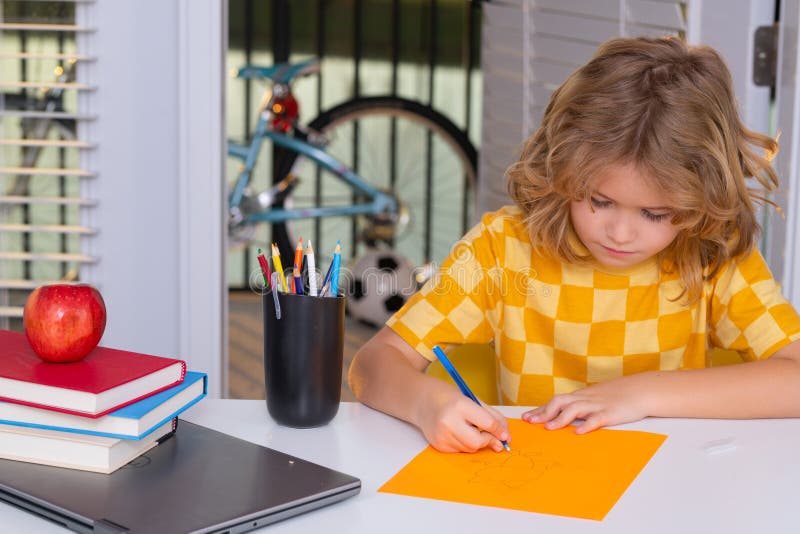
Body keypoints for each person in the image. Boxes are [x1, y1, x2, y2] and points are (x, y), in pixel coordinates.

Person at [347, 36, 800, 454]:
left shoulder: (712, 253)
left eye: (655, 214)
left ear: (702, 199)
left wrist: (640, 394)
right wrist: (427, 403)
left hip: (669, 485)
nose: (620, 233)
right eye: (600, 201)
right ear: (563, 169)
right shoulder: (503, 250)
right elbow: (372, 365)